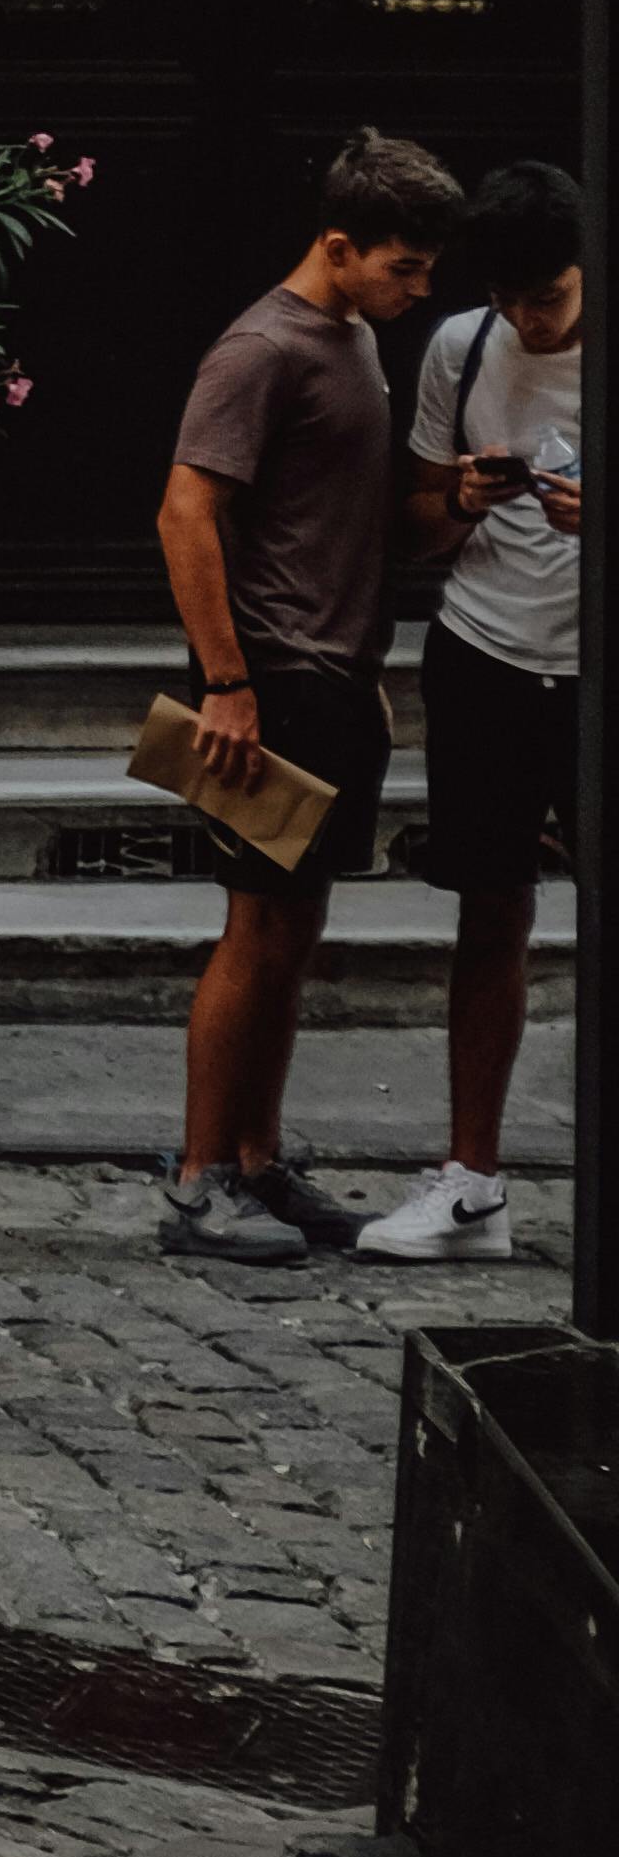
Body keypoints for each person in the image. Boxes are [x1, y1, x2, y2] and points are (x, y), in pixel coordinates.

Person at [155, 123, 464, 1265]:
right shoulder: (259, 349)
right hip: (269, 679)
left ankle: (252, 1162)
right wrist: (226, 685)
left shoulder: (350, 337)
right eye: (403, 267)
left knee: (296, 932)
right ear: (337, 245)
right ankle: (195, 1182)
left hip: (331, 678)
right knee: (252, 928)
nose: (418, 288)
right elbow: (183, 513)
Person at [360, 157, 587, 1265]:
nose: (526, 322)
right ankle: (470, 1187)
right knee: (486, 914)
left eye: (543, 299)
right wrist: (455, 497)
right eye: (506, 301)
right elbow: (408, 521)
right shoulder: (460, 345)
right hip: (486, 653)